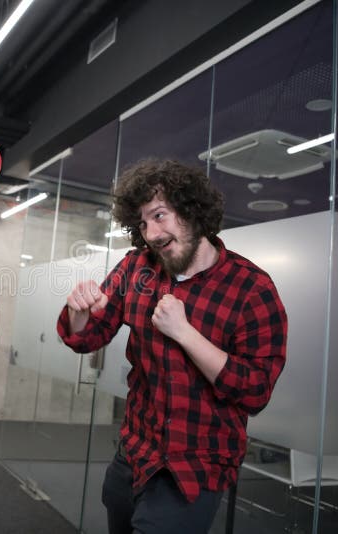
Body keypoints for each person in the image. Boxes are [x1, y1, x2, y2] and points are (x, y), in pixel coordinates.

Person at [57, 159, 288, 533]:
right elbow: (88, 337)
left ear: (192, 209)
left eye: (160, 215)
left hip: (194, 467)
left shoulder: (252, 288)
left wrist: (184, 333)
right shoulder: (137, 268)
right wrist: (78, 310)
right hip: (134, 452)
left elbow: (255, 391)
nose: (152, 233)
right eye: (142, 223)